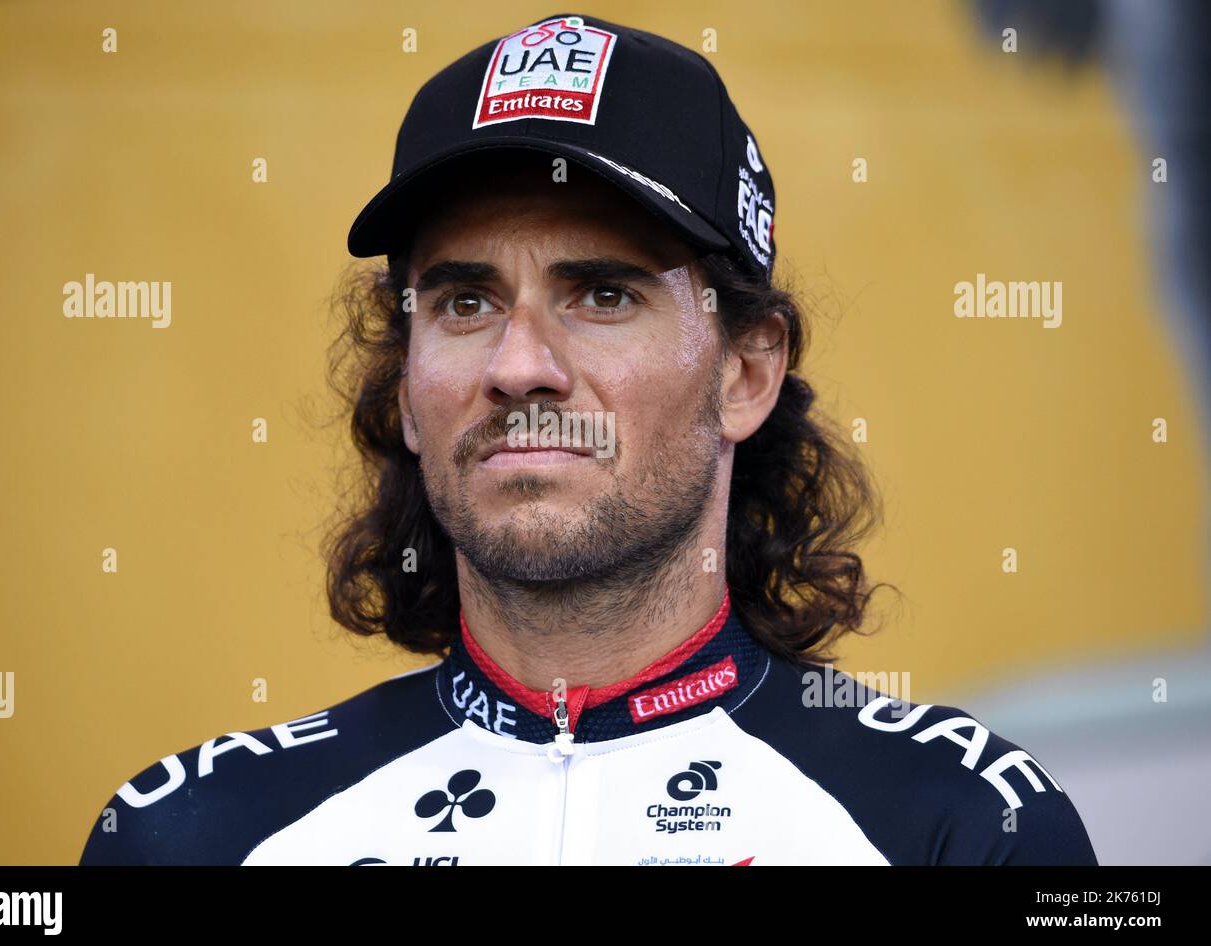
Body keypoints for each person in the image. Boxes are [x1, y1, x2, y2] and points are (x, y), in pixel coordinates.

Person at [79, 12, 1097, 865]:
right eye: (465, 299)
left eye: (602, 293)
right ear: (405, 381)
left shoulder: (960, 828)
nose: (519, 365)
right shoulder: (197, 837)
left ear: (746, 371)